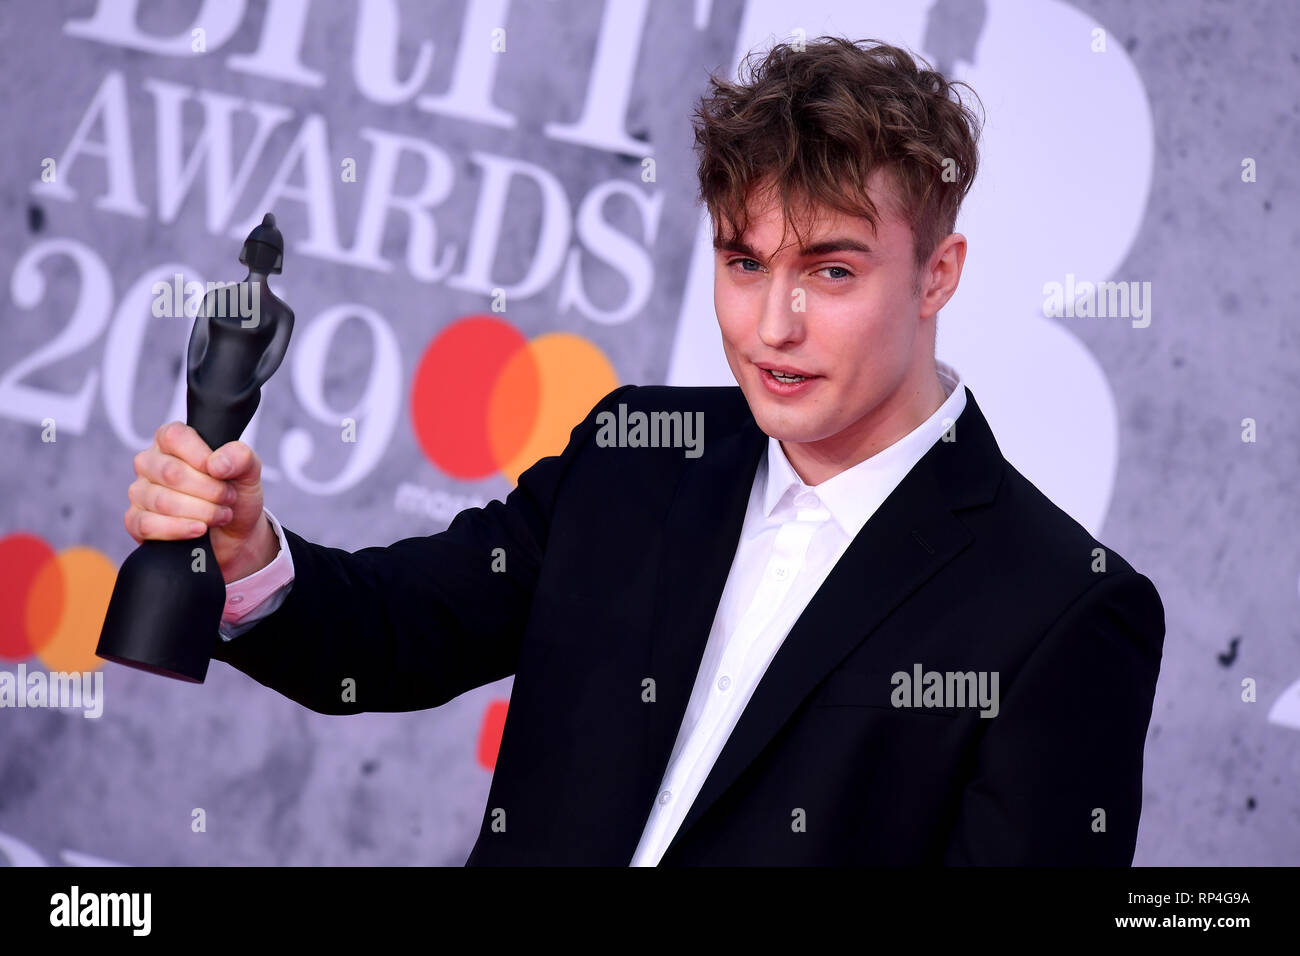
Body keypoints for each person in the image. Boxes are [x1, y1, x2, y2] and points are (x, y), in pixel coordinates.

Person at [122, 37, 1164, 866]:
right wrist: (250, 549)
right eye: (743, 260)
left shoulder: (1063, 610)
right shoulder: (637, 451)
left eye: (832, 271)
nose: (773, 324)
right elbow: (397, 634)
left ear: (938, 275)